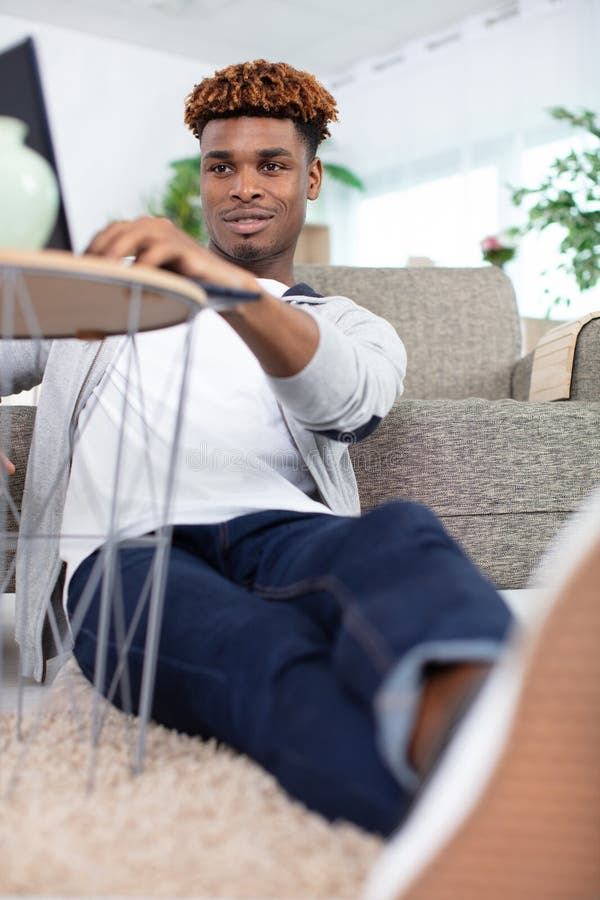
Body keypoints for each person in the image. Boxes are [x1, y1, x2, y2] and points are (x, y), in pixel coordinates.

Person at [5, 60, 512, 837]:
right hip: (123, 556)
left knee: (404, 535)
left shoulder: (346, 324)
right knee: (256, 654)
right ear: (203, 182)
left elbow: (348, 404)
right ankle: (492, 829)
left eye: (271, 165)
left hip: (282, 533)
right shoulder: (101, 296)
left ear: (309, 181)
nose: (244, 185)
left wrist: (219, 284)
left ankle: (501, 720)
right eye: (222, 166)